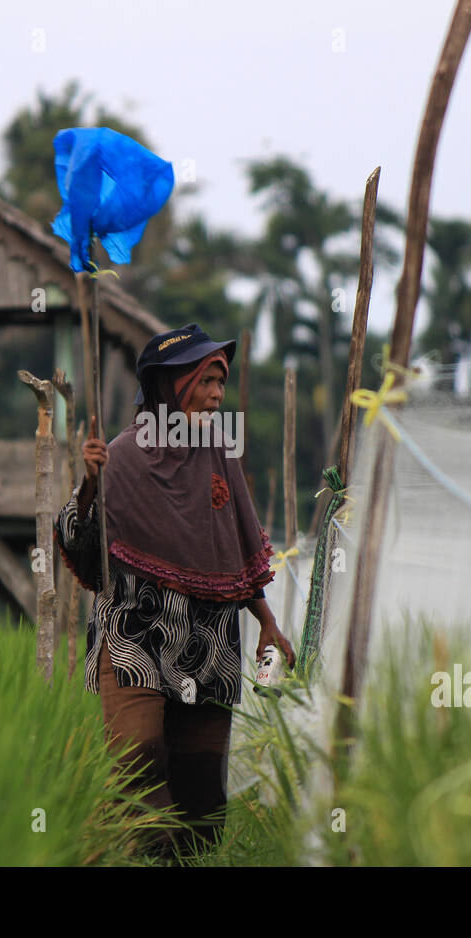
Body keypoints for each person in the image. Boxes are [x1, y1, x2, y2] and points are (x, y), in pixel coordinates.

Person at [54, 323, 295, 859]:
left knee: (202, 802)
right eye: (205, 381)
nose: (215, 396)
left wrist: (267, 623)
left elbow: (236, 551)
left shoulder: (220, 455)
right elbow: (82, 547)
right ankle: (112, 847)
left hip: (209, 640)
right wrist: (91, 484)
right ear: (171, 385)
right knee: (138, 765)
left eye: (220, 384)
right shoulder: (121, 456)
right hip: (136, 632)